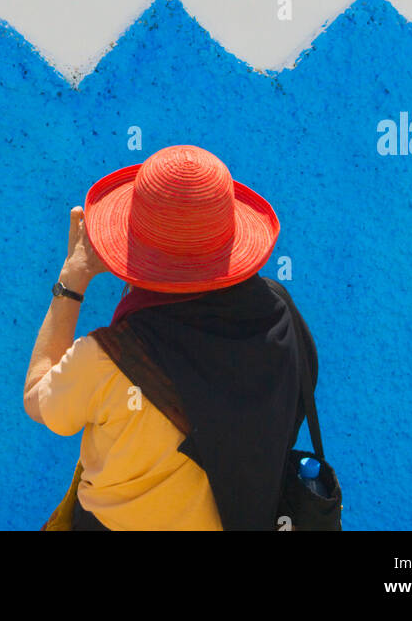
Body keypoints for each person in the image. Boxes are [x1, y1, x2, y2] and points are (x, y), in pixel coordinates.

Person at [23, 144, 318, 531]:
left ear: (134, 248)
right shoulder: (280, 314)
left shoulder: (107, 358)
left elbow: (37, 401)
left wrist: (73, 277)